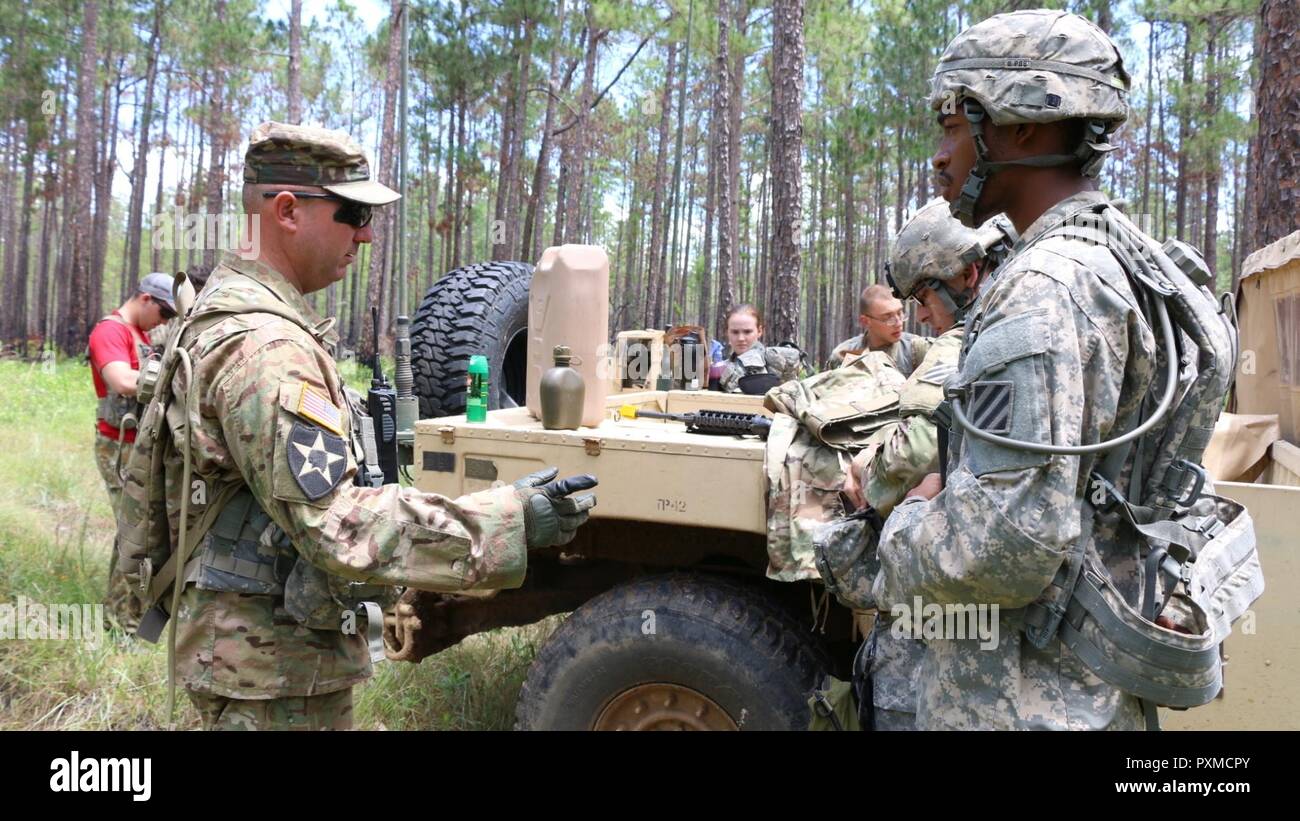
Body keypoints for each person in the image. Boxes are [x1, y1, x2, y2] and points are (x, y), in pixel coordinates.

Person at [115, 121, 597, 730]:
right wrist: (509, 520)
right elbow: (337, 526)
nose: (366, 235)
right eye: (352, 213)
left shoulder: (230, 313)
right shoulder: (266, 348)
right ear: (287, 210)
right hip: (271, 672)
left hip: (255, 656)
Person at [872, 10, 1205, 730]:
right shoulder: (1122, 259)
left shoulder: (1042, 289)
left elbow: (1002, 546)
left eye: (955, 125)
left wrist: (901, 525)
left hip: (1018, 699)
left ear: (1023, 125)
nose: (939, 155)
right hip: (1085, 692)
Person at [837, 201, 1014, 730]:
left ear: (968, 274)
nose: (916, 314)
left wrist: (871, 475)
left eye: (922, 296)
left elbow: (914, 450)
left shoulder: (972, 339)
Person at [88, 272, 178, 631]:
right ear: (145, 299)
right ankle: (122, 622)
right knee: (135, 534)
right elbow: (122, 382)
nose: (164, 321)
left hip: (137, 444)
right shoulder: (110, 331)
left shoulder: (139, 334)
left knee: (139, 532)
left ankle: (124, 614)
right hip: (119, 446)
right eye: (164, 313)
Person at [825, 285, 926, 375]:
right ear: (865, 321)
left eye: (900, 313)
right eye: (888, 317)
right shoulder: (843, 356)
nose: (899, 323)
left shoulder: (916, 350)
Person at [717, 304, 806, 394]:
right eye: (735, 332)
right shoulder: (722, 367)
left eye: (747, 332)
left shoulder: (774, 361)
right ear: (727, 332)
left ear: (759, 331)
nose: (741, 338)